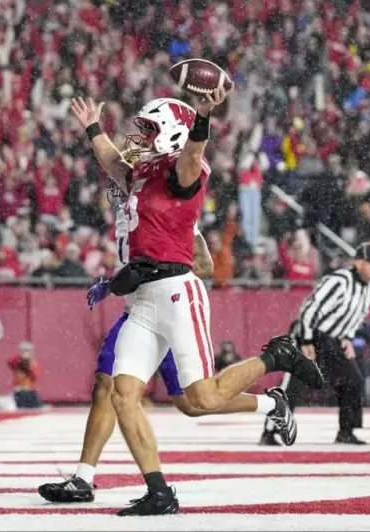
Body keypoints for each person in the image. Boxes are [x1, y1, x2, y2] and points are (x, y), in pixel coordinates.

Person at [60, 93, 323, 516]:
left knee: (200, 399)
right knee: (123, 394)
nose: (140, 136)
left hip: (177, 293)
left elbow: (194, 150)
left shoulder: (186, 169)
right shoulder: (143, 173)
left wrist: (202, 115)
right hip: (142, 299)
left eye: (150, 129)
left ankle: (278, 355)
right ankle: (159, 491)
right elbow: (112, 162)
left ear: (173, 135)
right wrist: (93, 128)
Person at [38, 187, 295, 504]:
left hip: (171, 310)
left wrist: (149, 269)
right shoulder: (126, 219)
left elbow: (204, 266)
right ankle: (83, 478)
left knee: (193, 402)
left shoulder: (168, 211)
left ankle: (271, 404)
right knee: (106, 386)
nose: (120, 189)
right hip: (137, 314)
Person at [260, 242, 370, 446]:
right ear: (359, 263)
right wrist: (306, 340)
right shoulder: (340, 281)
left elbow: (355, 318)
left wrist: (347, 338)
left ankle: (346, 431)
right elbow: (310, 309)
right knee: (294, 384)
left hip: (333, 338)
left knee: (352, 380)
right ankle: (269, 431)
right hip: (310, 333)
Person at [6, 342, 41, 409]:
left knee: (32, 399)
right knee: (21, 395)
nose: (25, 353)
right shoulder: (17, 361)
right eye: (23, 350)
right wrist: (21, 359)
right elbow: (10, 362)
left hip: (29, 391)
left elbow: (33, 377)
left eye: (28, 350)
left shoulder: (34, 364)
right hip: (19, 390)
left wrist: (27, 366)